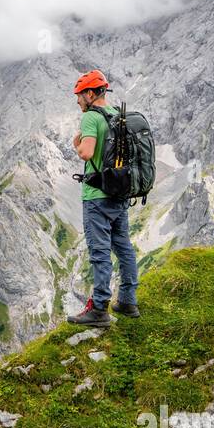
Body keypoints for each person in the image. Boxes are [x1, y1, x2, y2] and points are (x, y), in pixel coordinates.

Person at [68, 69, 139, 326]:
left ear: (89, 93)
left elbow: (86, 154)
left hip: (96, 196)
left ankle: (99, 309)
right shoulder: (116, 116)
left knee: (99, 252)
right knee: (123, 247)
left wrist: (76, 144)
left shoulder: (90, 118)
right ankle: (128, 302)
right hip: (119, 193)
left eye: (79, 95)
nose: (77, 101)